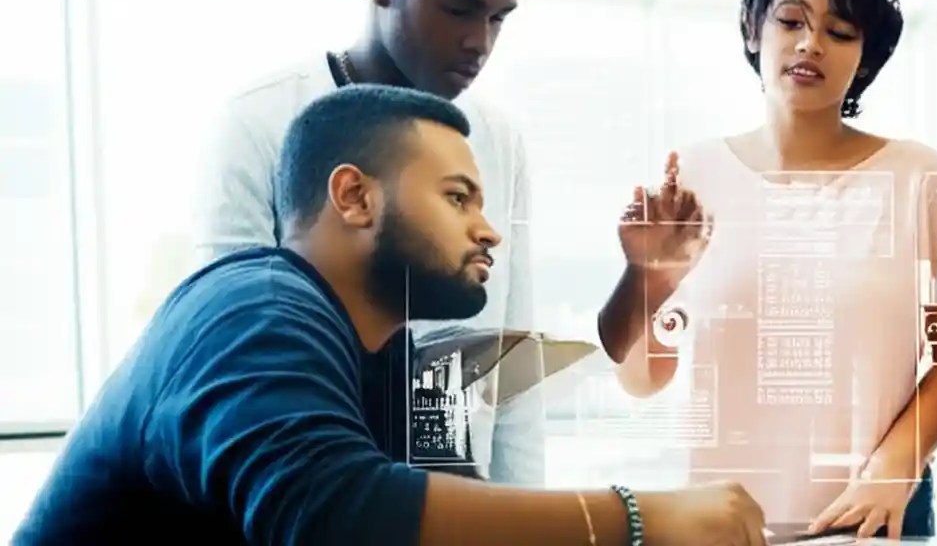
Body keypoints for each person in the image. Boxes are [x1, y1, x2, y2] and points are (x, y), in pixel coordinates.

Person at [14, 85, 767, 546]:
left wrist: (648, 276)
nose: (489, 229)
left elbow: (541, 361)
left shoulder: (370, 353)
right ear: (354, 197)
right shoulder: (258, 309)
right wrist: (641, 520)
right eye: (456, 198)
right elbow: (337, 515)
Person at [597, 0, 937, 539]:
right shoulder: (696, 175)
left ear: (866, 56)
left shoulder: (920, 176)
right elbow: (643, 378)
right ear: (754, 29)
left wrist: (892, 471)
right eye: (791, 20)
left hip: (866, 522)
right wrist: (648, 276)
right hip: (720, 523)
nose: (811, 43)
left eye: (841, 29)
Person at [192, 0, 541, 483]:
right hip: (308, 495)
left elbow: (507, 358)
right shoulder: (261, 121)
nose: (478, 42)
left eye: (498, 19)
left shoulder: (498, 137)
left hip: (461, 496)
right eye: (457, 9)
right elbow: (231, 360)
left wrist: (524, 515)